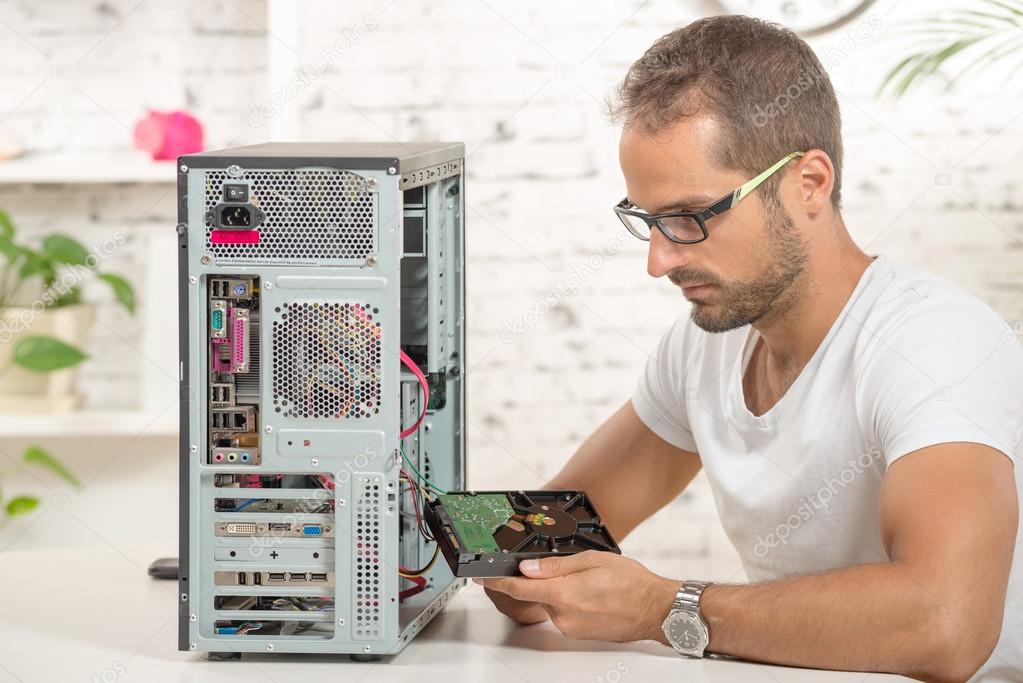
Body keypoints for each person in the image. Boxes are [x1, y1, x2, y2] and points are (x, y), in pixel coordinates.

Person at [478, 15, 1023, 683]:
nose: (657, 260)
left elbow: (945, 625)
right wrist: (419, 528)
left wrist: (662, 608)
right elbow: (528, 557)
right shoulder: (702, 347)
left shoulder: (933, 342)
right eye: (646, 221)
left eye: (690, 217)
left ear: (808, 185)